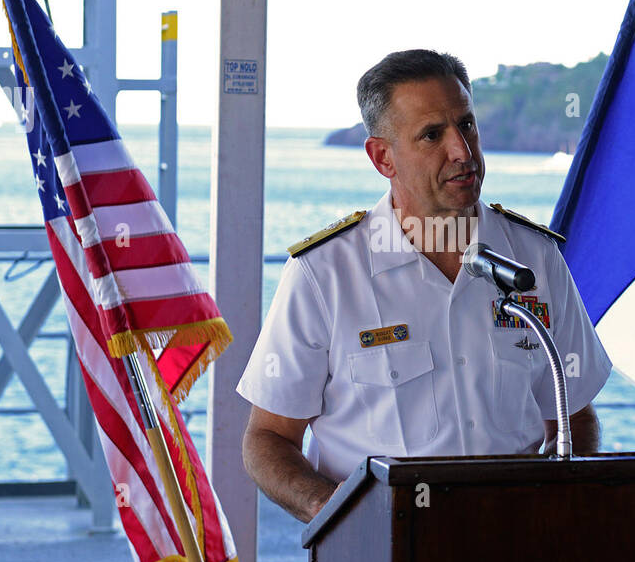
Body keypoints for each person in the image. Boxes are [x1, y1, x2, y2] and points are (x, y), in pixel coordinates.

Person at [236, 49, 612, 523]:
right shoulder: (325, 274)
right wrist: (337, 516)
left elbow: (574, 412)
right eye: (432, 135)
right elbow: (268, 438)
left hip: (516, 544)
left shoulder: (534, 258)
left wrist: (556, 504)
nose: (462, 150)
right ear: (383, 157)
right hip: (381, 556)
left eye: (467, 125)